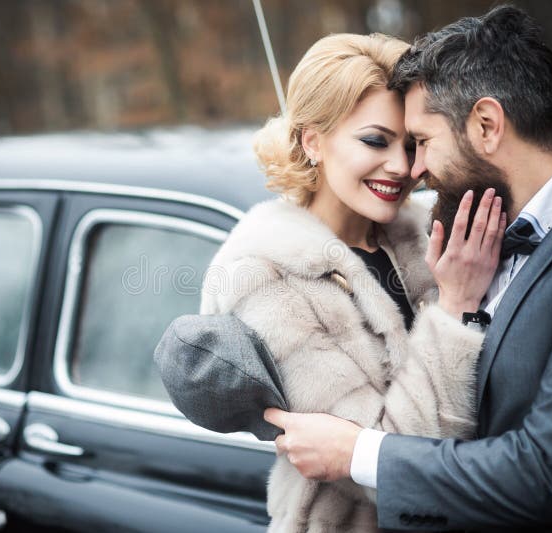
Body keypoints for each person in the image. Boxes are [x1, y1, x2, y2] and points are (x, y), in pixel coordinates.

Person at [263, 5, 552, 532]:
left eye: (422, 143)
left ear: (485, 125)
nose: (414, 171)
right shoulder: (472, 242)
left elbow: (543, 473)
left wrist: (359, 452)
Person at [195, 33, 505, 531]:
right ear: (311, 139)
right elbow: (376, 465)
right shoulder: (260, 273)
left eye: (411, 144)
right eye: (375, 141)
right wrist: (455, 307)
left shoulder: (427, 235)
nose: (402, 167)